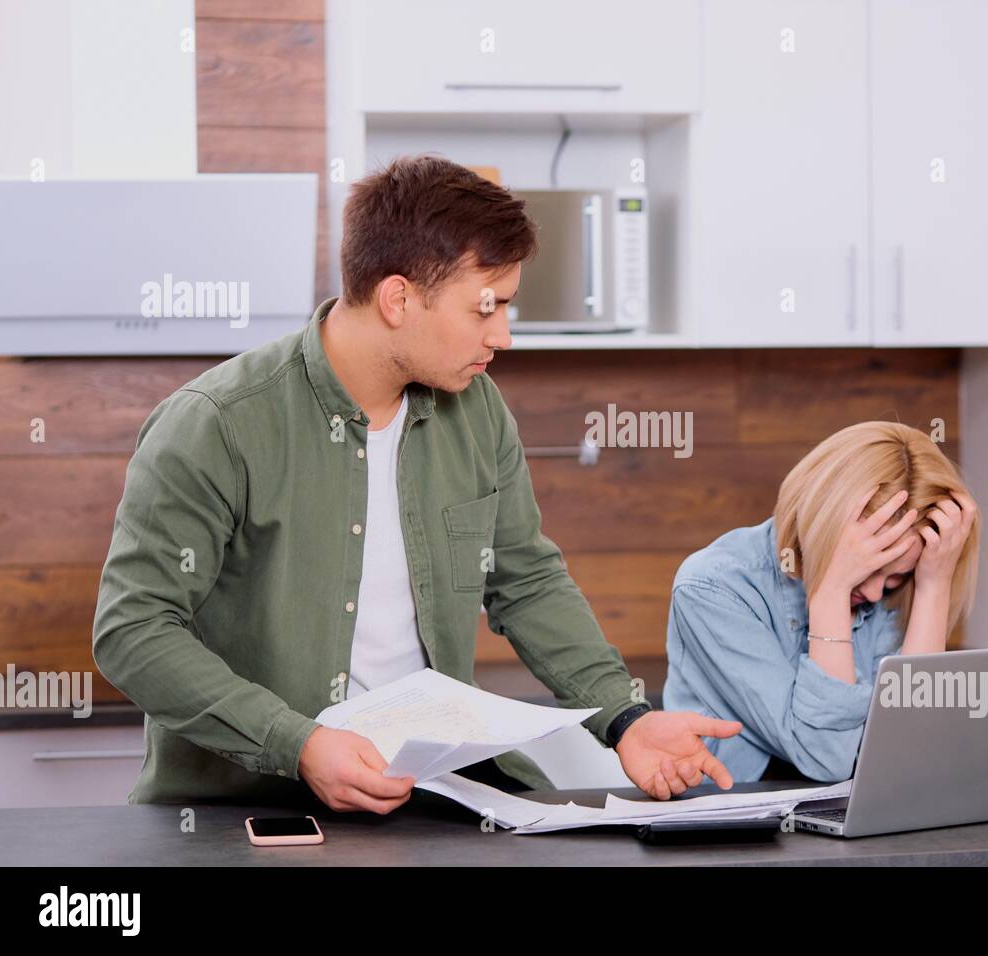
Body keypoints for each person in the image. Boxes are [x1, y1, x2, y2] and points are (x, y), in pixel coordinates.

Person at [93, 154, 741, 812]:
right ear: (399, 298)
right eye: (486, 309)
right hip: (249, 809)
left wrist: (625, 719)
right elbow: (133, 628)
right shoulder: (217, 424)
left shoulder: (478, 411)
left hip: (433, 799)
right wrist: (299, 743)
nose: (505, 336)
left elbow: (526, 582)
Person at [663, 421, 980, 785]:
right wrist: (831, 591)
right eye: (868, 571)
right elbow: (827, 758)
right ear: (821, 524)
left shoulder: (894, 593)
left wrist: (933, 588)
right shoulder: (712, 587)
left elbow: (913, 757)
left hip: (852, 820)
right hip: (731, 827)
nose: (876, 594)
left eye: (896, 578)